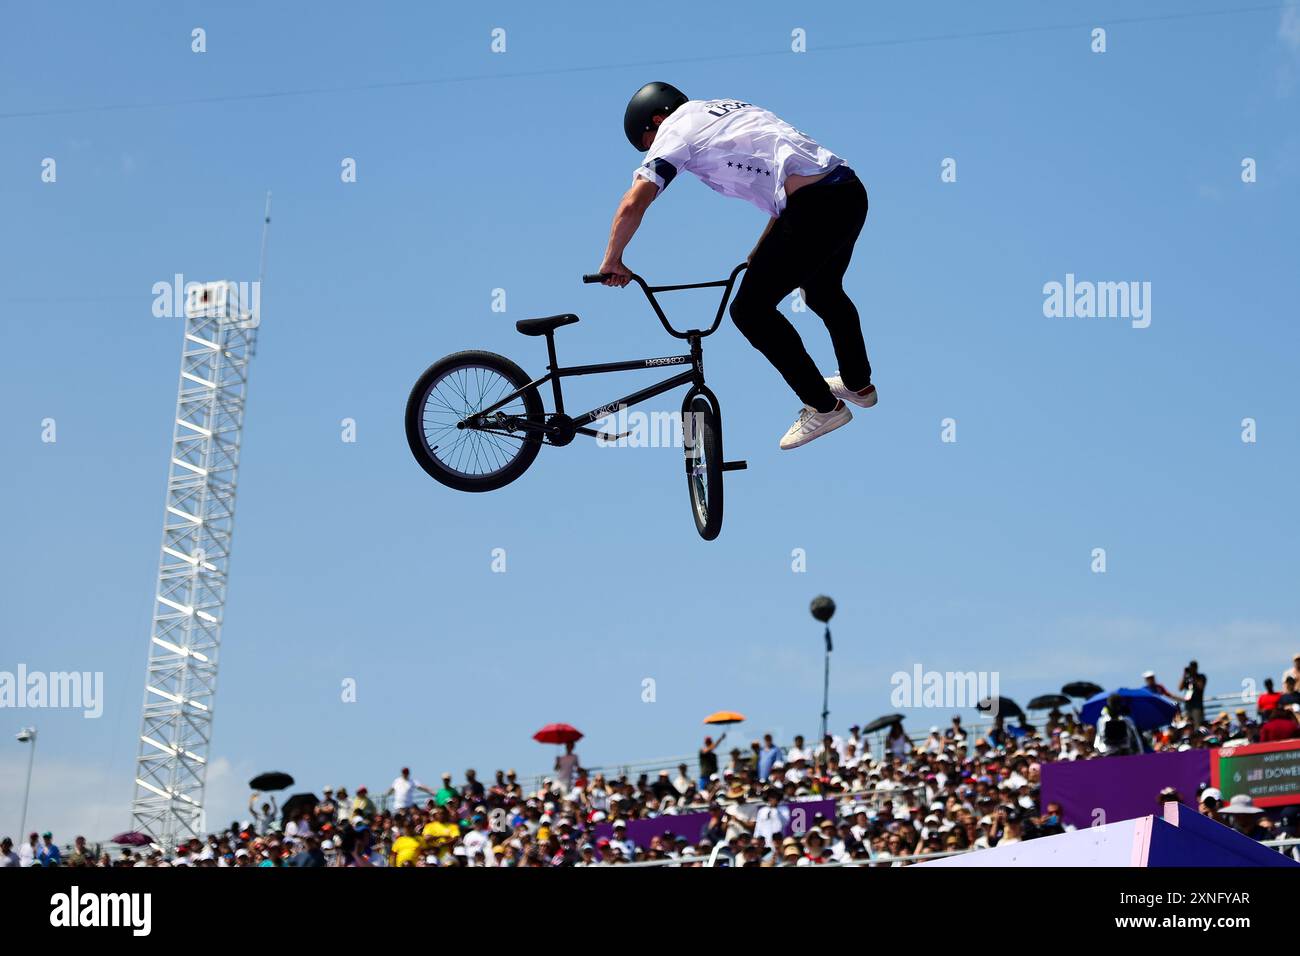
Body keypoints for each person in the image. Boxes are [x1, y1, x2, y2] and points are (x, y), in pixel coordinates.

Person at [598, 83, 875, 450]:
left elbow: (634, 201)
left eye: (648, 142)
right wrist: (759, 251)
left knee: (750, 311)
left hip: (816, 208)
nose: (653, 148)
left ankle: (823, 406)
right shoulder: (730, 110)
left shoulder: (676, 128)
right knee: (823, 292)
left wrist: (612, 259)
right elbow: (787, 181)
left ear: (656, 119)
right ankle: (858, 382)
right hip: (848, 194)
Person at [1179, 661, 1208, 727]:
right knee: (1188, 725)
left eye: (1193, 668)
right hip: (1188, 705)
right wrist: (1184, 675)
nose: (1192, 669)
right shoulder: (1187, 678)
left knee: (1197, 725)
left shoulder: (1201, 677)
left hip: (1197, 706)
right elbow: (1180, 688)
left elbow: (1201, 687)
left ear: (1196, 668)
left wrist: (1194, 676)